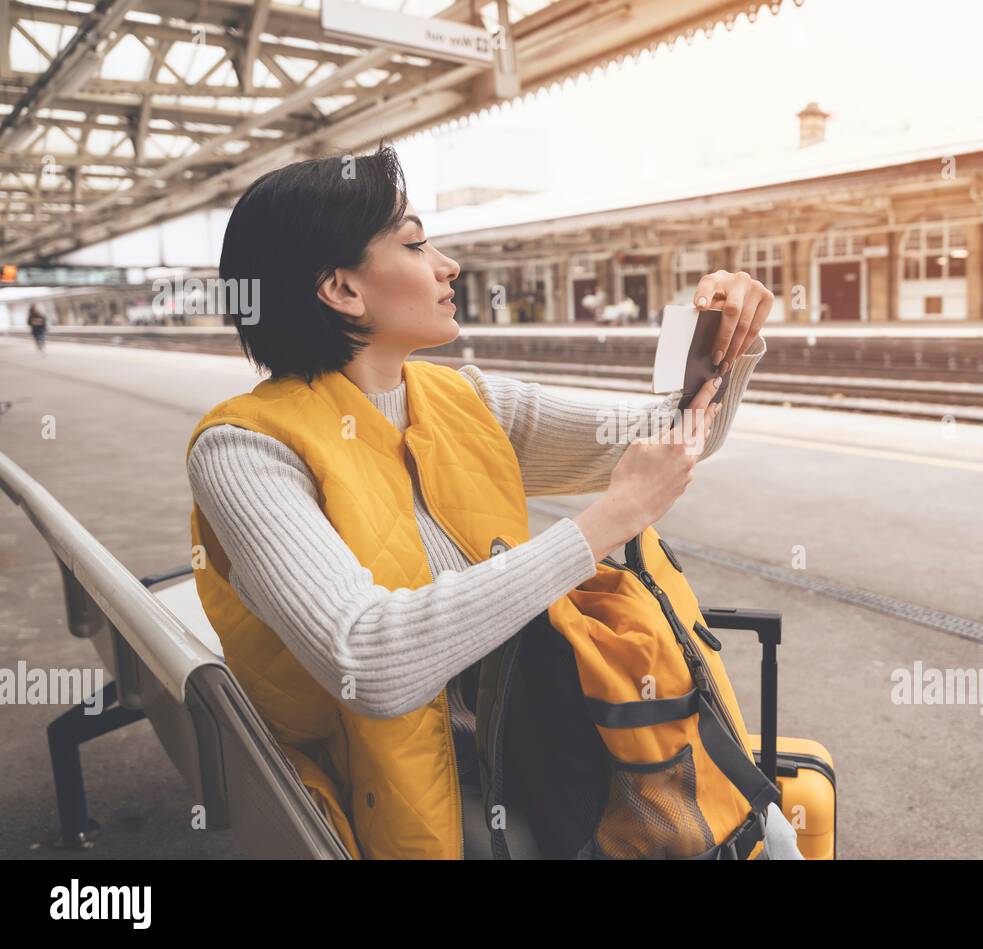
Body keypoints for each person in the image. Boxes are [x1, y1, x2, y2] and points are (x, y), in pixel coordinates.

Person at [185, 145, 794, 859]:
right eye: (414, 243)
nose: (448, 264)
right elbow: (370, 660)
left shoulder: (461, 398)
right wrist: (605, 522)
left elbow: (675, 435)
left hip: (539, 744)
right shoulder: (245, 451)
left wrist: (724, 346)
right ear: (343, 291)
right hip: (425, 799)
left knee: (764, 829)